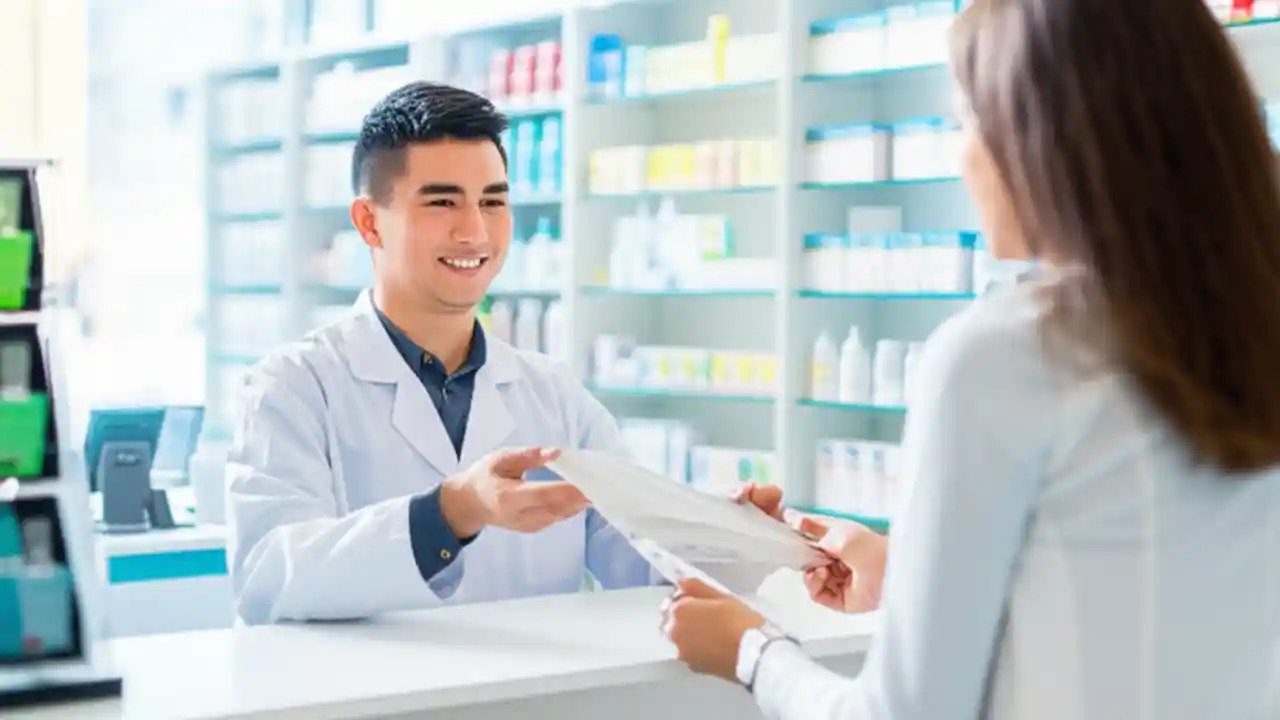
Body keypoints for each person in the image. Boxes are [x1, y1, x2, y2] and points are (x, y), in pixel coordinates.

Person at [662, 1, 1280, 718]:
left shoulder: (1006, 355)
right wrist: (909, 574)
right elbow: (1147, 587)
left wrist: (750, 651)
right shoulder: (1243, 331)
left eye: (966, 123)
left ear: (1037, 140)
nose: (963, 158)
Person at [225, 82, 655, 625]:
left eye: (492, 202)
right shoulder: (292, 386)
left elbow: (647, 553)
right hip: (366, 683)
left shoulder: (554, 394)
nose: (474, 231)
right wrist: (449, 513)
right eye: (442, 202)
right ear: (369, 222)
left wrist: (737, 539)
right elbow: (268, 578)